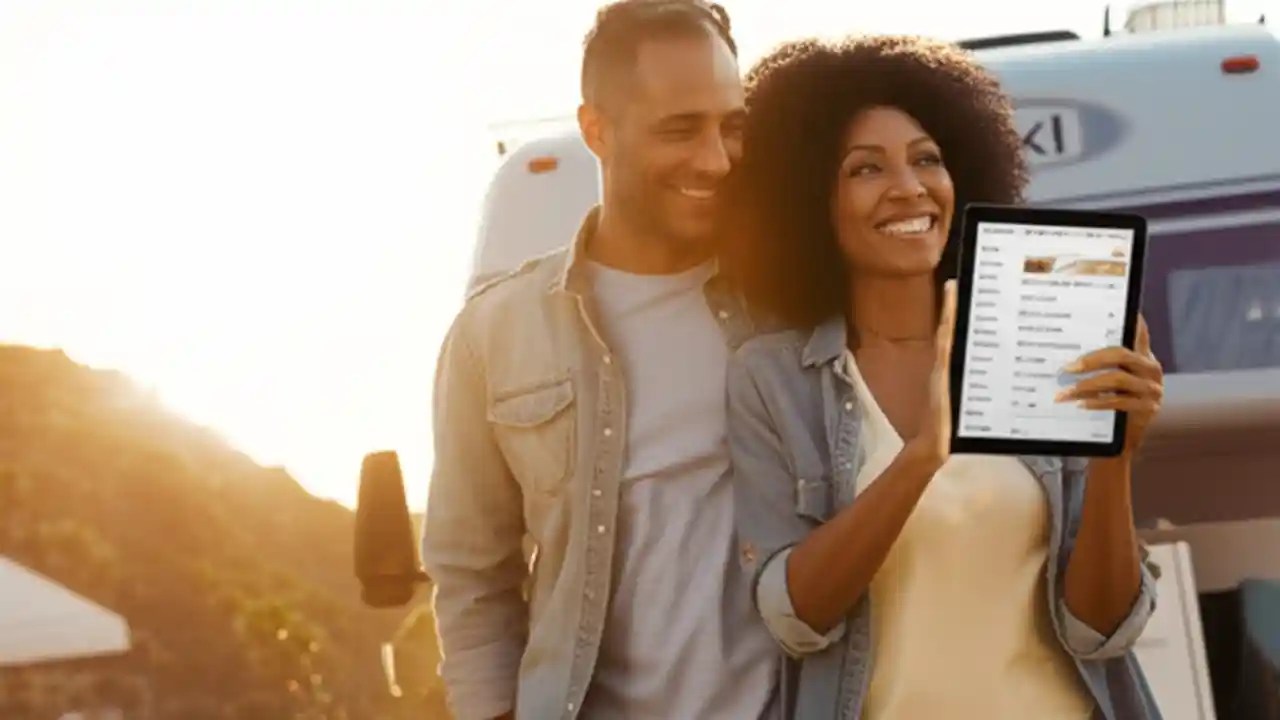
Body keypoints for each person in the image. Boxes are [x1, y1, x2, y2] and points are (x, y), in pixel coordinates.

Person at [723, 35, 1166, 719]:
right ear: (811, 198)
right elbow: (794, 616)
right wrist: (922, 456)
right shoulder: (774, 381)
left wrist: (1117, 453)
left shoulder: (1031, 342)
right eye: (865, 170)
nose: (908, 188)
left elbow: (1098, 628)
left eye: (927, 159)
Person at [421, 2, 781, 719]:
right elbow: (470, 577)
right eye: (681, 129)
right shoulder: (494, 335)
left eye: (731, 126)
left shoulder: (793, 308)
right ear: (597, 130)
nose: (716, 159)